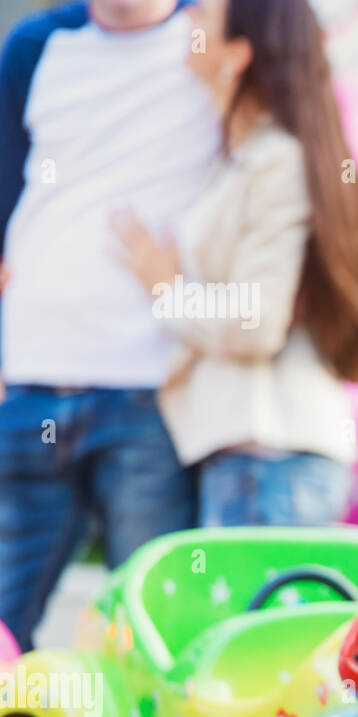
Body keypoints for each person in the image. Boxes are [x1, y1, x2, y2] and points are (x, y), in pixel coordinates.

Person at [0, 0, 220, 652]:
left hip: (150, 390)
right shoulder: (37, 46)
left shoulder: (211, 34)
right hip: (32, 382)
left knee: (150, 631)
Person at [110, 0, 358, 528]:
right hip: (261, 463)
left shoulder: (275, 162)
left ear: (237, 53)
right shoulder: (247, 158)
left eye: (204, 15)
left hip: (268, 461)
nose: (187, 19)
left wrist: (166, 288)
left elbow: (257, 321)